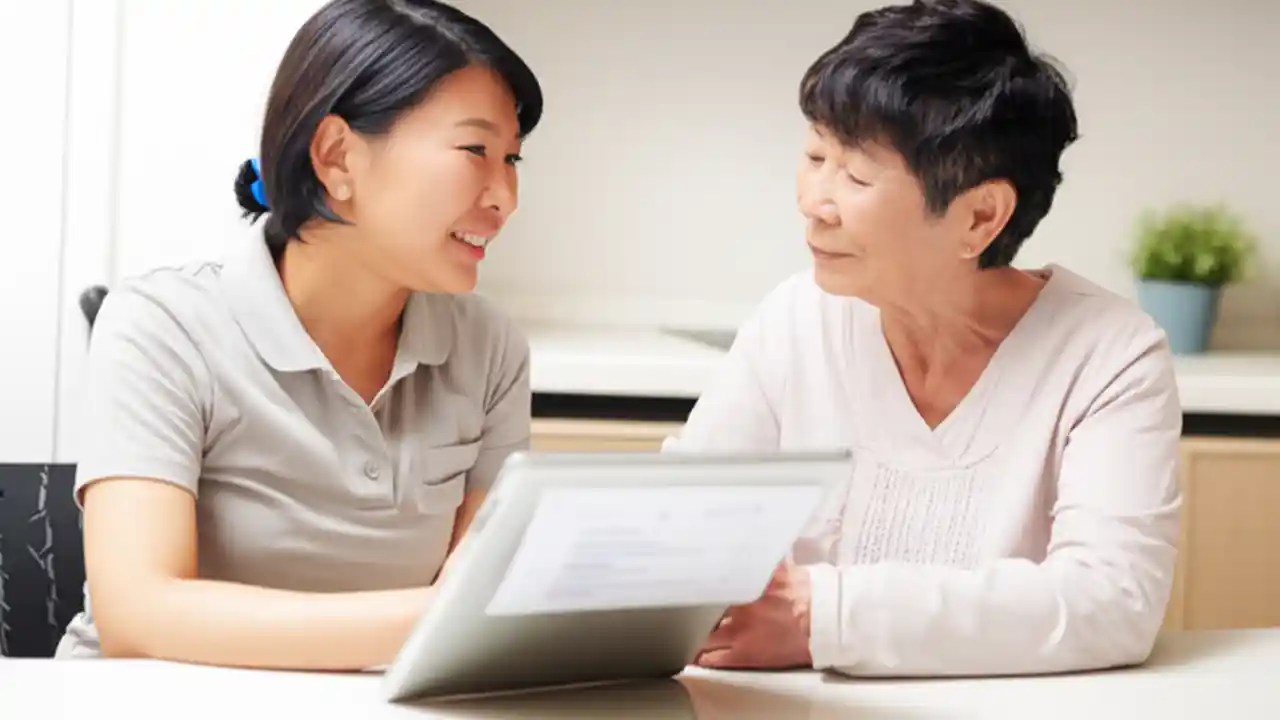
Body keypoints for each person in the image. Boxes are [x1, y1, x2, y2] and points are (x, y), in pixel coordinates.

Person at [671, 0, 1181, 676]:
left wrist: (824, 617)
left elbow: (1111, 601)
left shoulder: (1109, 354)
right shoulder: (795, 320)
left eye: (854, 176)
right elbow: (679, 524)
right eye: (815, 154)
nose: (813, 200)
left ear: (980, 216)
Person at [57, 0, 542, 670]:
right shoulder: (161, 324)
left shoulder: (489, 349)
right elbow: (137, 615)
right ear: (337, 155)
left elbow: (477, 604)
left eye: (513, 159)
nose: (504, 197)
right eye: (475, 151)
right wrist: (455, 618)